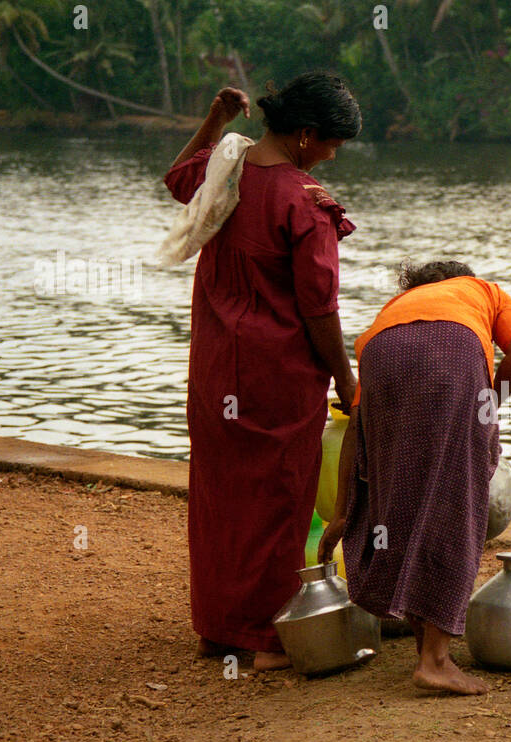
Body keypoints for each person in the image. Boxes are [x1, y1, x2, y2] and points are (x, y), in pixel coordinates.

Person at [163, 72, 361, 671]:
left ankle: (217, 630)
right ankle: (269, 638)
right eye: (332, 143)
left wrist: (216, 118)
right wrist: (348, 381)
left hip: (217, 368)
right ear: (306, 135)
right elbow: (319, 308)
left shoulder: (226, 168)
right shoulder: (305, 200)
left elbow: (177, 178)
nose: (334, 155)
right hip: (278, 375)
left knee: (221, 495)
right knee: (280, 500)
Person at [319, 262, 511, 695]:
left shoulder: (394, 310)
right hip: (453, 351)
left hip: (381, 355)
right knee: (454, 502)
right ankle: (434, 661)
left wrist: (344, 512)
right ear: (463, 277)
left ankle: (427, 649)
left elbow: (356, 429)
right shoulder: (485, 291)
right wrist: (491, 404)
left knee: (398, 498)